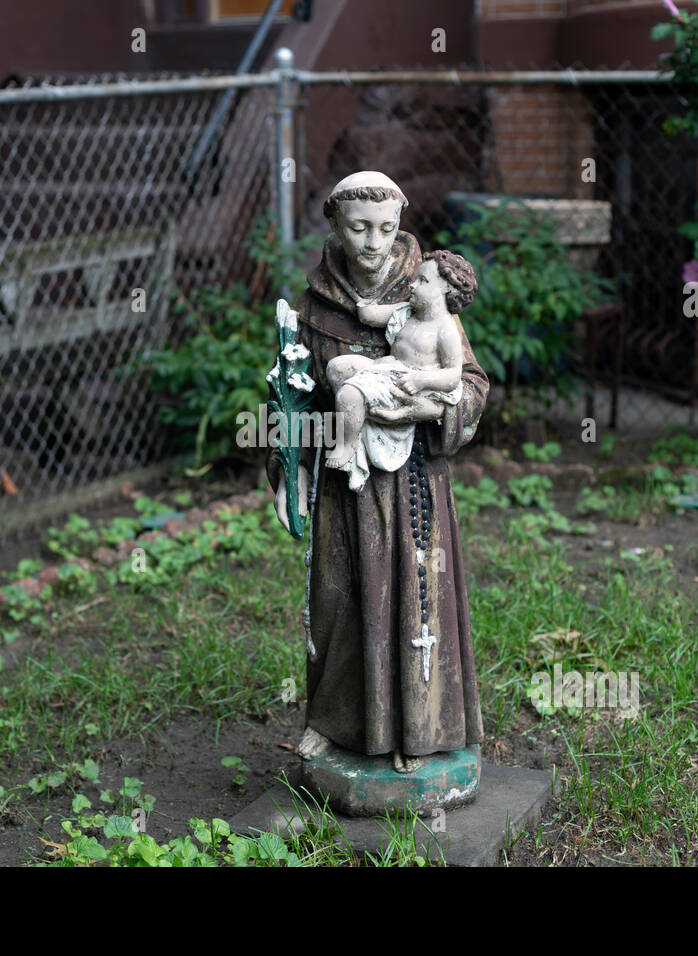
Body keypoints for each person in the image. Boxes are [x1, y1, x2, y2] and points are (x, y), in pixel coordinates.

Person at [267, 171, 488, 774]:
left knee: (417, 604)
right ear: (335, 226)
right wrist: (292, 476)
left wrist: (431, 409)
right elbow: (294, 398)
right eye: (359, 228)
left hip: (415, 482)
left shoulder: (428, 295)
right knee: (339, 602)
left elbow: (468, 383)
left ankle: (420, 729)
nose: (373, 243)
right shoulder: (314, 308)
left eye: (386, 230)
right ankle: (333, 726)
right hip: (344, 484)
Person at [323, 250, 477, 492]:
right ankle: (359, 421)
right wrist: (364, 305)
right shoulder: (408, 311)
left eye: (423, 281)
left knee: (348, 395)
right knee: (337, 368)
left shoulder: (445, 330)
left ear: (446, 289)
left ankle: (348, 449)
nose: (413, 285)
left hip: (403, 381)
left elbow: (452, 376)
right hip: (387, 368)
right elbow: (373, 316)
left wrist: (421, 380)